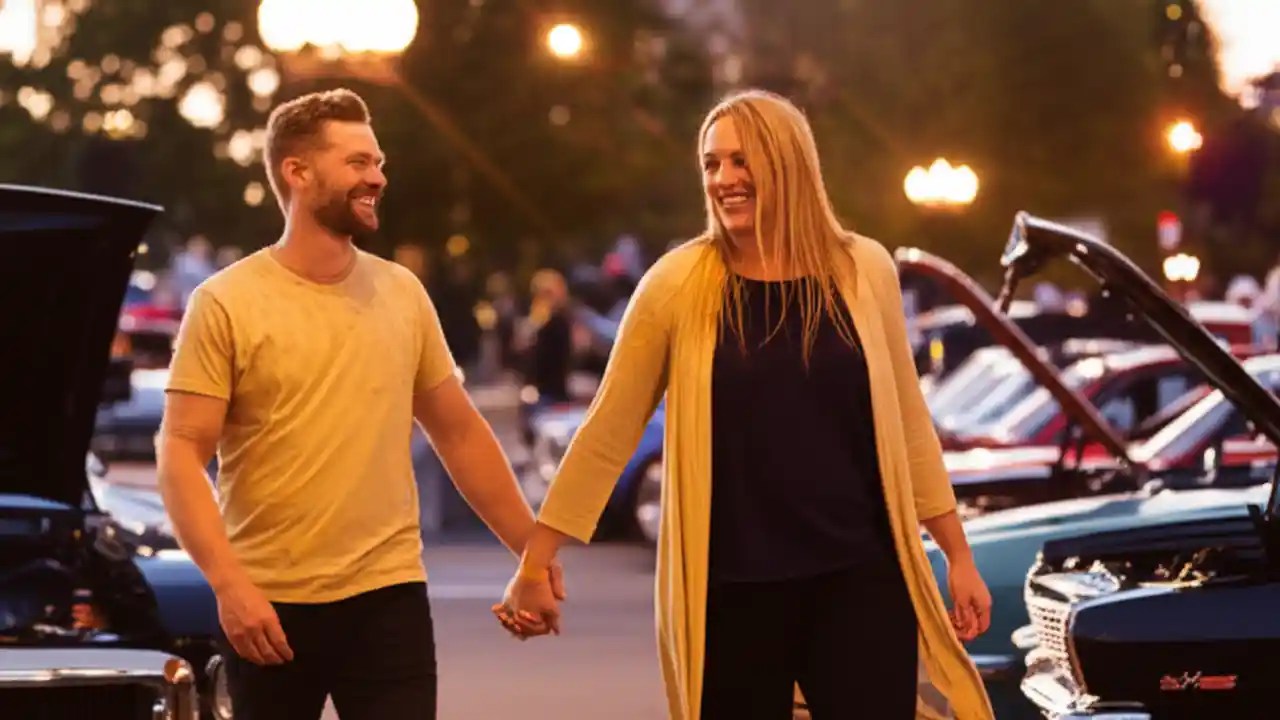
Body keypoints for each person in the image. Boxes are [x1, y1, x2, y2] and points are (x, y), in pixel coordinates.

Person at [493, 89, 995, 719]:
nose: (723, 179)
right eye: (711, 164)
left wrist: (958, 554)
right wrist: (535, 562)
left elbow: (907, 421)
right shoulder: (677, 284)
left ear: (788, 163)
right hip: (730, 593)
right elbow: (608, 430)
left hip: (861, 580)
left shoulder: (864, 270)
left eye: (740, 161)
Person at [156, 88, 560, 720]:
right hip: (269, 605)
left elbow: (459, 433)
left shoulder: (402, 293)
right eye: (358, 163)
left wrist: (531, 554)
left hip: (387, 596)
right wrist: (229, 587)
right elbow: (181, 452)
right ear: (298, 171)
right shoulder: (225, 302)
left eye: (379, 164)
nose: (377, 178)